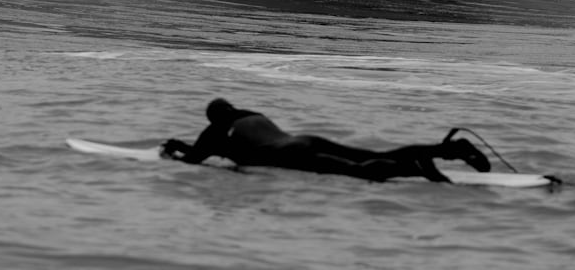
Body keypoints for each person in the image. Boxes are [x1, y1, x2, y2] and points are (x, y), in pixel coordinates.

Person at [161, 98, 491, 183]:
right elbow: (206, 149)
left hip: (290, 156)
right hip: (305, 139)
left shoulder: (219, 132)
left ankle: (418, 171)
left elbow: (195, 159)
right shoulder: (252, 115)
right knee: (372, 154)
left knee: (357, 172)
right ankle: (451, 149)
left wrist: (176, 150)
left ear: (214, 120)